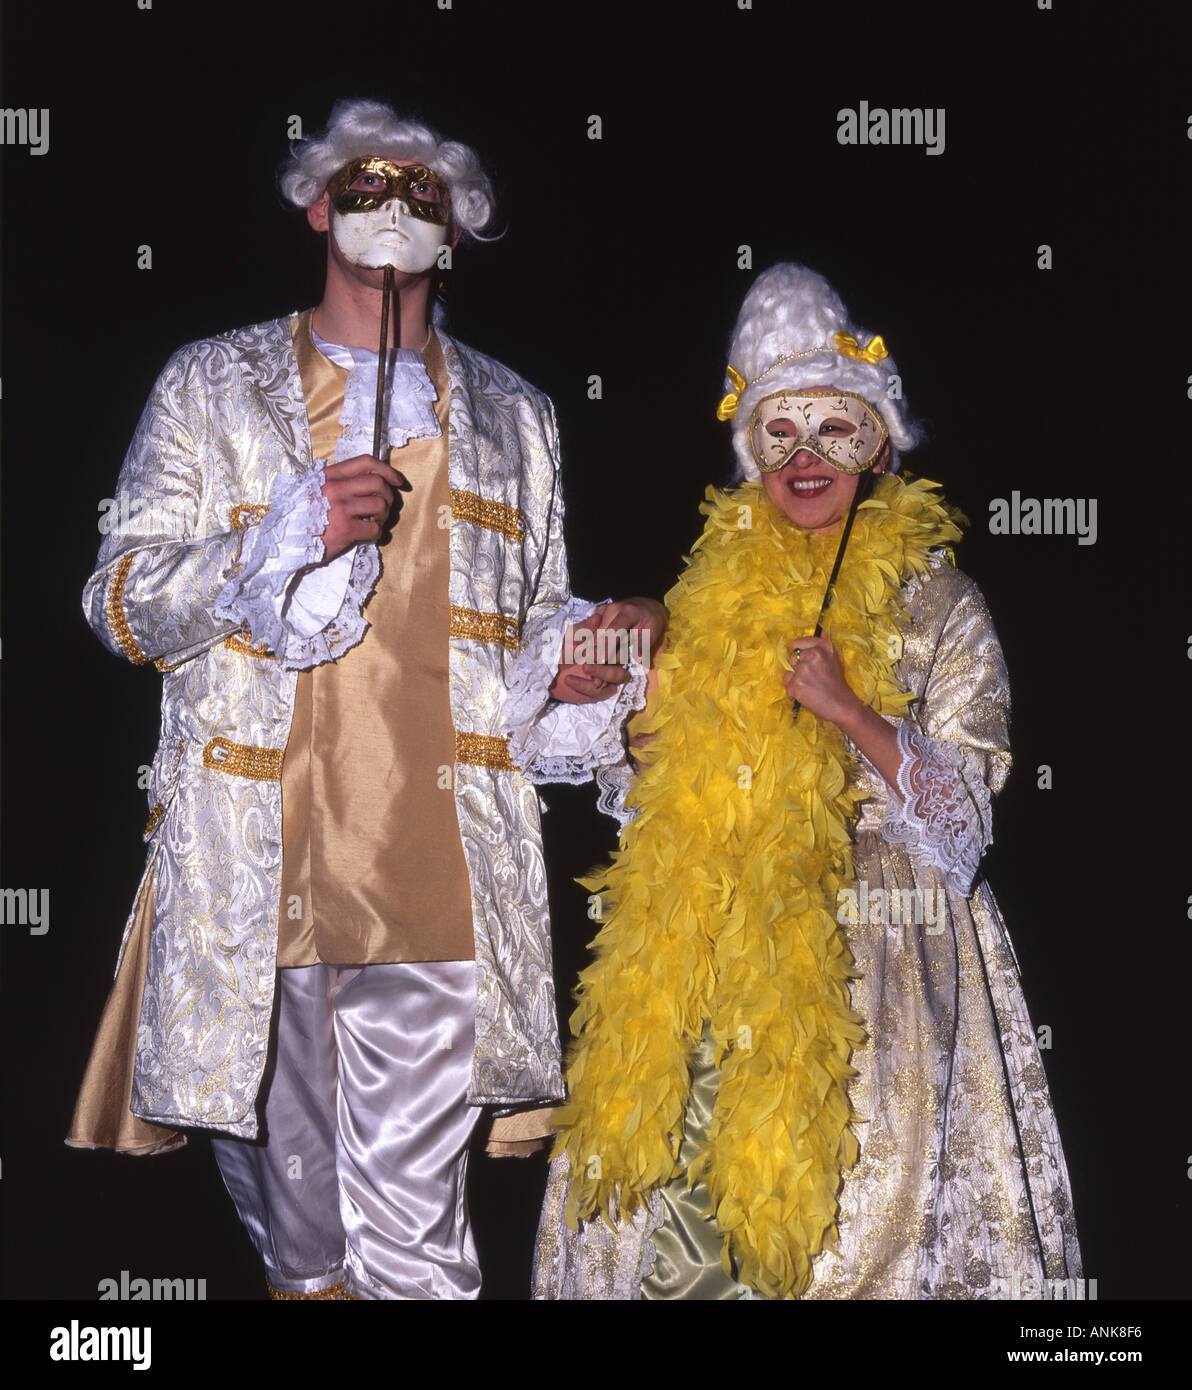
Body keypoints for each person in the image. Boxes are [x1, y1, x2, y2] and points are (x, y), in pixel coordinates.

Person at [67, 97, 663, 1301]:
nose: (395, 210)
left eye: (424, 195)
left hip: (439, 881)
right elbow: (120, 602)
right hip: (254, 882)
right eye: (370, 186)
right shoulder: (210, 384)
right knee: (301, 1245)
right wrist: (271, 542)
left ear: (456, 232)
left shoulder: (518, 415)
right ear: (318, 205)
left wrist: (581, 660)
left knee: (417, 1249)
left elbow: (524, 635)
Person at [533, 263, 1082, 1300]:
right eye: (779, 432)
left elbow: (964, 828)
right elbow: (645, 773)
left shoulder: (942, 599)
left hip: (883, 952)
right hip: (712, 949)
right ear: (751, 454)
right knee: (687, 1248)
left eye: (834, 427)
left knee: (854, 1236)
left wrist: (853, 715)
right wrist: (618, 683)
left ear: (877, 441)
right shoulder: (708, 591)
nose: (806, 455)